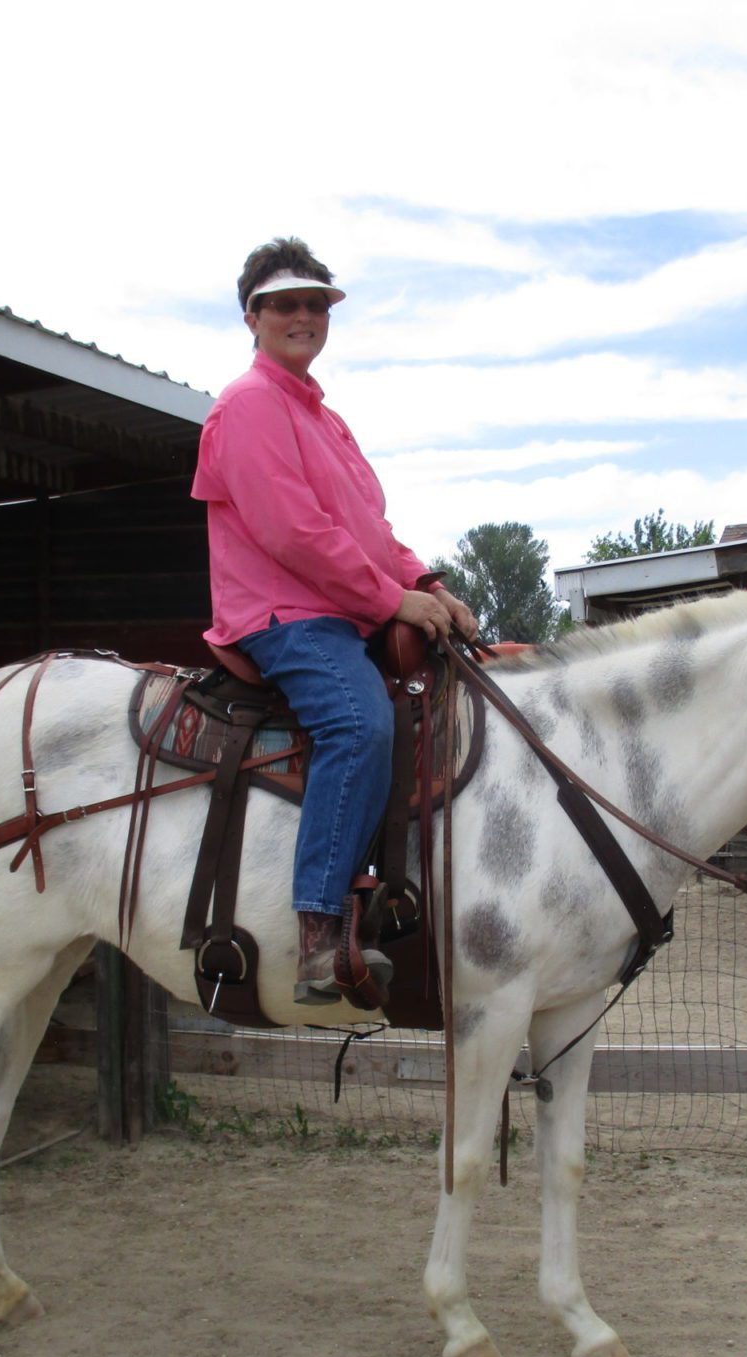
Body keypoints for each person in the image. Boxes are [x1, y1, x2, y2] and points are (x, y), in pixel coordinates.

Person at [192, 238, 478, 1006]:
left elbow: (369, 531)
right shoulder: (248, 405)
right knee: (360, 723)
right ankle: (319, 935)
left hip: (341, 608)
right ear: (251, 317)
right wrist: (391, 602)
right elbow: (293, 532)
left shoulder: (325, 419)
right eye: (285, 304)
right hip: (285, 615)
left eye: (316, 304)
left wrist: (427, 582)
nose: (304, 316)